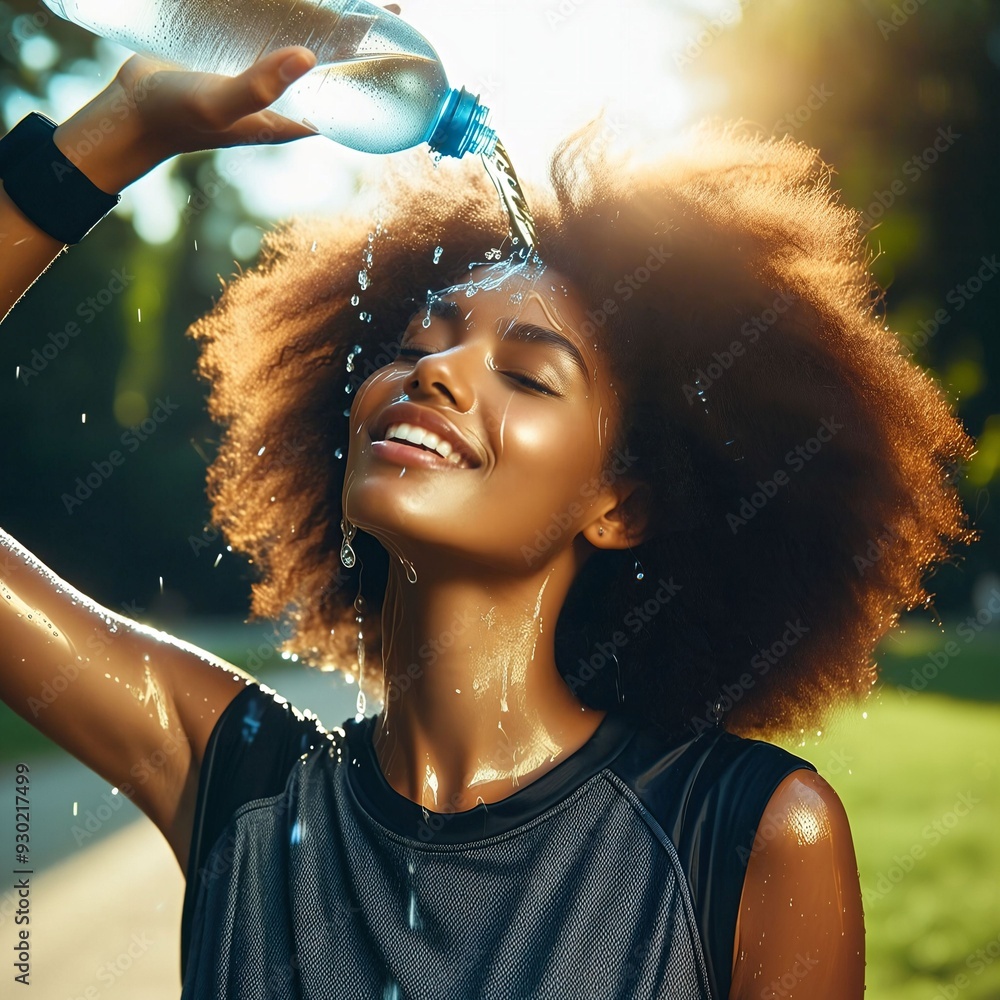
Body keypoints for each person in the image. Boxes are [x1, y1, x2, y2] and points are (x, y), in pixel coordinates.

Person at [0, 36, 976, 1000]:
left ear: (620, 504)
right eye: (417, 340)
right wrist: (121, 126)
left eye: (525, 374)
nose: (432, 371)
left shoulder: (742, 835)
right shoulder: (241, 782)